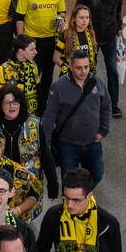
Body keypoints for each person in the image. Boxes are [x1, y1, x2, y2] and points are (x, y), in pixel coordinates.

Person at [41, 50, 111, 188]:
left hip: (93, 142)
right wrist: (46, 143)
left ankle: (82, 198)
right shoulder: (59, 87)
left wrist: (103, 131)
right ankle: (70, 203)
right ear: (71, 66)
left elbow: (106, 107)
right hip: (68, 144)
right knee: (69, 181)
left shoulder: (98, 83)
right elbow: (49, 116)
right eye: (79, 68)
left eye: (86, 67)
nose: (83, 71)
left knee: (97, 174)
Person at [15, 0, 66, 113]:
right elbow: (19, 17)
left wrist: (61, 19)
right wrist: (21, 40)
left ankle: (43, 105)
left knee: (48, 75)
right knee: (32, 74)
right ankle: (30, 103)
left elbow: (62, 12)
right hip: (33, 41)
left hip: (51, 40)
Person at [77, 0, 124, 117]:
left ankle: (114, 104)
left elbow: (118, 10)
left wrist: (119, 26)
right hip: (92, 36)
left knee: (113, 71)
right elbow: (79, 12)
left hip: (110, 35)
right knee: (89, 70)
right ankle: (88, 101)